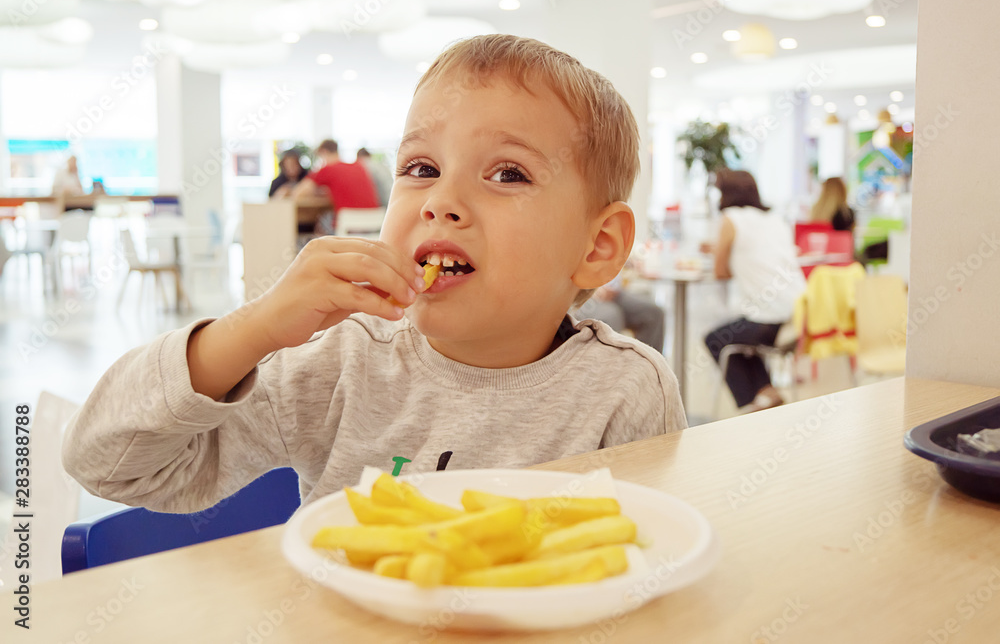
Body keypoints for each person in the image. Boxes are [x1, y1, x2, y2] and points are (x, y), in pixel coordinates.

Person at [62, 34, 687, 512]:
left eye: (507, 174)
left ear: (598, 246)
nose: (440, 200)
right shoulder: (338, 365)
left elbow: (651, 559)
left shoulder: (625, 391)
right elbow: (105, 462)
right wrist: (254, 329)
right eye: (420, 167)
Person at [704, 170, 805, 413]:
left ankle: (750, 406)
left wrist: (722, 254)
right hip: (800, 312)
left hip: (771, 320)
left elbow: (720, 272)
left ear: (726, 193)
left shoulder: (730, 218)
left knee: (716, 338)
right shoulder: (775, 218)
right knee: (738, 333)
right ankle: (767, 392)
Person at [292, 139, 379, 234]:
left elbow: (298, 193)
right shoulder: (358, 166)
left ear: (323, 152)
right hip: (374, 223)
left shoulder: (327, 169)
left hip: (348, 226)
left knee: (319, 224)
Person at [575, 273, 666, 352]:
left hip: (616, 292)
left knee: (654, 313)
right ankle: (613, 369)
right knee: (613, 315)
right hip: (588, 292)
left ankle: (647, 366)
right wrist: (593, 288)